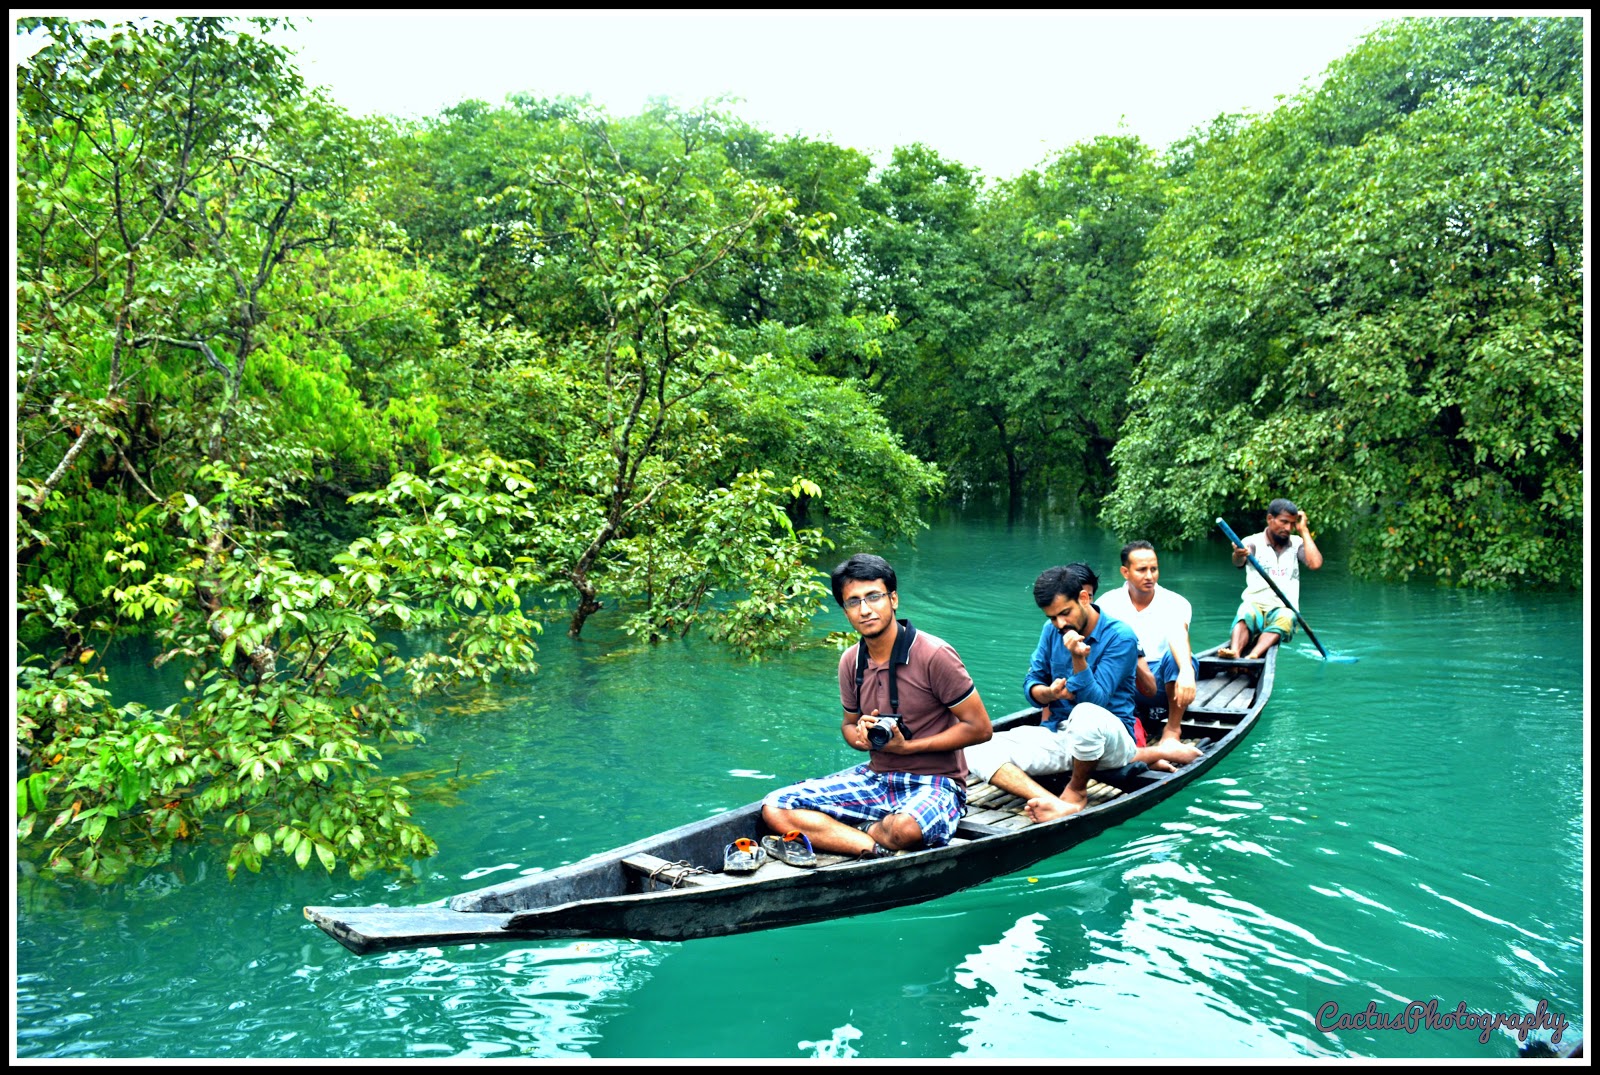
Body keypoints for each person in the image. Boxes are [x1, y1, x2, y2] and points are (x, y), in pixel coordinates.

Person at [761, 553, 994, 858]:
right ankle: (874, 846)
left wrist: (908, 748)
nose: (865, 609)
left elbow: (980, 729)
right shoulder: (850, 661)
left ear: (893, 599)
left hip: (936, 782)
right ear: (845, 611)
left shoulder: (934, 655)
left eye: (874, 597)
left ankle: (860, 831)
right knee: (775, 807)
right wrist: (858, 737)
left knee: (905, 829)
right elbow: (848, 724)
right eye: (853, 601)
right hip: (876, 778)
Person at [963, 563, 1201, 824]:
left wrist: (1079, 659)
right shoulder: (1052, 631)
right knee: (975, 747)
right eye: (1052, 617)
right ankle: (1055, 803)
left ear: (1084, 598)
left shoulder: (1120, 636)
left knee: (1085, 714)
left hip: (1110, 737)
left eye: (1065, 613)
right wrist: (1049, 693)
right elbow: (1032, 682)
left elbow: (1095, 701)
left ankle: (1077, 790)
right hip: (1061, 733)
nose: (1060, 623)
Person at [1096, 540, 1197, 748]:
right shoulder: (1106, 603)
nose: (1150, 576)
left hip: (1162, 680)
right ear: (1125, 572)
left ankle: (1172, 728)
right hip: (1125, 680)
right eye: (1142, 570)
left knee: (1181, 659)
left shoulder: (1175, 602)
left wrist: (1186, 671)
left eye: (1154, 569)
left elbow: (1178, 634)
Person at [1218, 498, 1324, 659]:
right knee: (1245, 611)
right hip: (1255, 604)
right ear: (1270, 519)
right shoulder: (1252, 542)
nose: (1288, 528)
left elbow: (1315, 564)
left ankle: (1253, 655)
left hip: (1283, 608)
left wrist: (1303, 530)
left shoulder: (1296, 544)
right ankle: (1235, 652)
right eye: (1284, 522)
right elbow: (1239, 560)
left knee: (1287, 617)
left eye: (1292, 524)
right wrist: (1238, 554)